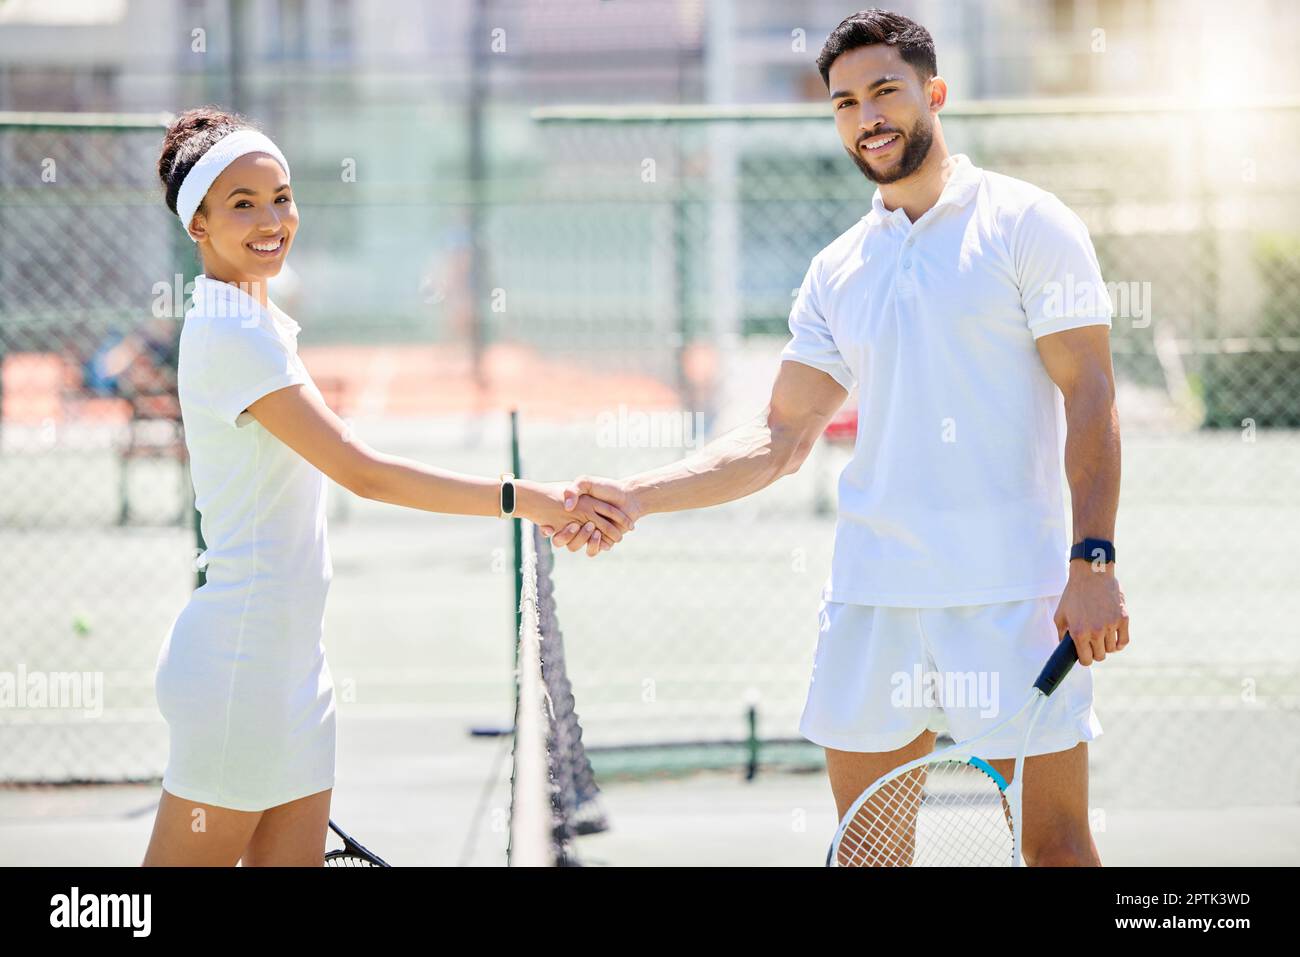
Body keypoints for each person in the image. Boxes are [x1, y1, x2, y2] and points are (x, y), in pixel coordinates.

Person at [543, 9, 1130, 866]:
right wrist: (639, 494)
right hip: (871, 601)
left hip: (1013, 598)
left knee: (1056, 848)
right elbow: (781, 435)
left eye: (885, 90)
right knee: (869, 856)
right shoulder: (838, 267)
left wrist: (1095, 561)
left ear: (934, 93)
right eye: (845, 101)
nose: (868, 116)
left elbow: (1092, 395)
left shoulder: (1028, 223)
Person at [143, 108, 633, 866]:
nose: (273, 218)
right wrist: (522, 497)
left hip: (291, 667)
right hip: (238, 671)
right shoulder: (230, 335)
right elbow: (363, 471)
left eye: (282, 195)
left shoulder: (257, 322)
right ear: (198, 225)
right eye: (243, 204)